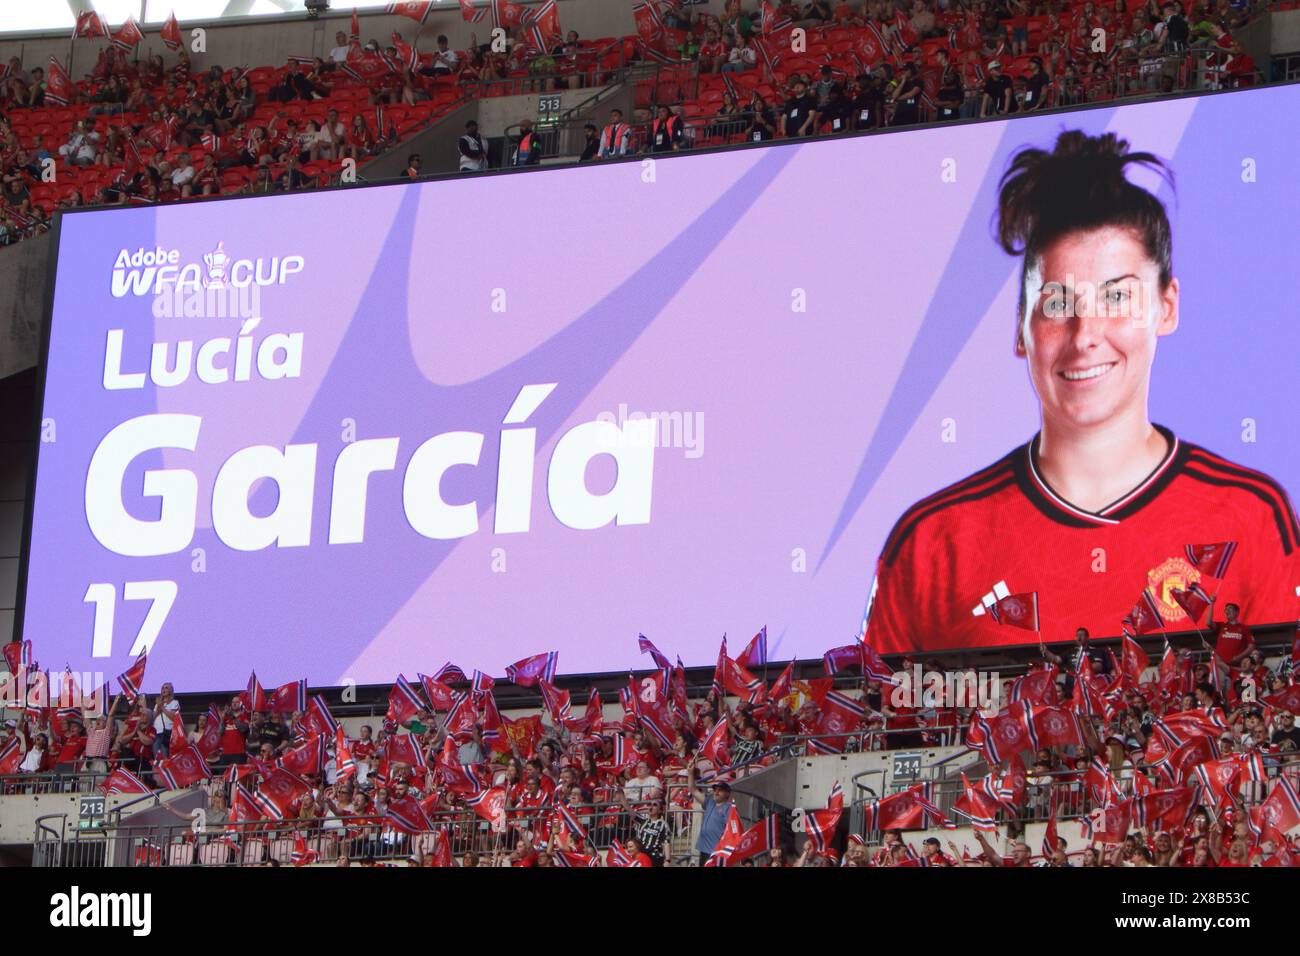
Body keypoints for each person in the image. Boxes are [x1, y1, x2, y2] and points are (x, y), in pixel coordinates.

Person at [864, 129, 1300, 655]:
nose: (1085, 333)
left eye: (1117, 296)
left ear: (1166, 307)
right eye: (1055, 303)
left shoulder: (1250, 516)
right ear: (1021, 329)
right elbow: (877, 731)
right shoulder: (932, 543)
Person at [687, 761, 733, 864]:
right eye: (715, 789)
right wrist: (690, 773)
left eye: (720, 790)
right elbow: (693, 790)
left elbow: (731, 830)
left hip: (716, 851)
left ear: (727, 793)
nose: (716, 792)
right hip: (704, 849)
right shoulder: (710, 802)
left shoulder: (729, 808)